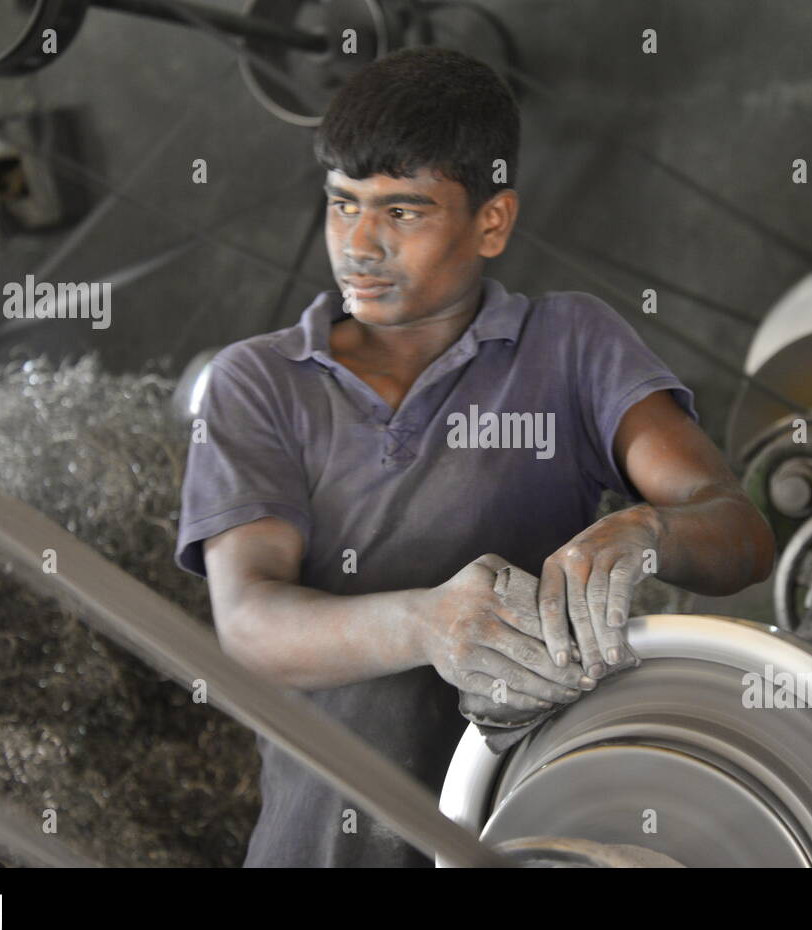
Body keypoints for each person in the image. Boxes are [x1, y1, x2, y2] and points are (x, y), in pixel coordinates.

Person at [173, 48, 775, 867]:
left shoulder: (570, 344)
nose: (359, 244)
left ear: (492, 221)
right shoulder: (262, 381)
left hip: (530, 829)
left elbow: (736, 529)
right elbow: (248, 623)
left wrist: (645, 530)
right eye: (342, 204)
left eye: (404, 212)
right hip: (324, 844)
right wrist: (428, 623)